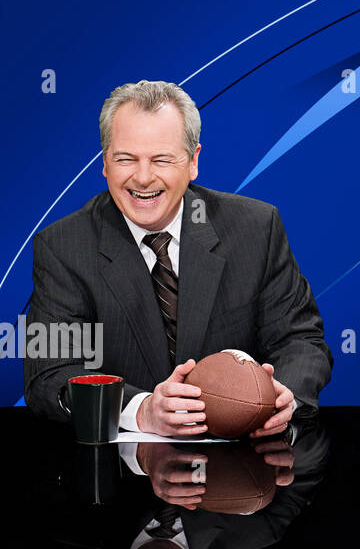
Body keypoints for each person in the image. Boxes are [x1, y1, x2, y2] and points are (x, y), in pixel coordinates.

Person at [24, 80, 332, 436]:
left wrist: (281, 398)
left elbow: (301, 342)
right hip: (121, 477)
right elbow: (50, 377)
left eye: (161, 159)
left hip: (242, 468)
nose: (142, 177)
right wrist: (140, 411)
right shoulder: (63, 247)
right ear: (105, 163)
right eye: (125, 159)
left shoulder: (256, 228)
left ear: (193, 161)